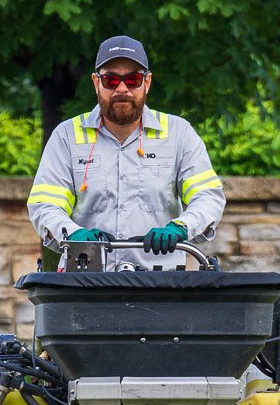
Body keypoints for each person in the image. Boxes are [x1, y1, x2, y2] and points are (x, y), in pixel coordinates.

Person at [26, 35, 225, 270]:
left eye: (133, 79)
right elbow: (45, 205)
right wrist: (73, 234)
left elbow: (208, 198)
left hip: (161, 286)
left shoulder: (179, 133)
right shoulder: (66, 136)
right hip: (84, 284)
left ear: (147, 82)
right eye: (111, 80)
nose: (122, 89)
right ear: (96, 82)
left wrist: (181, 227)